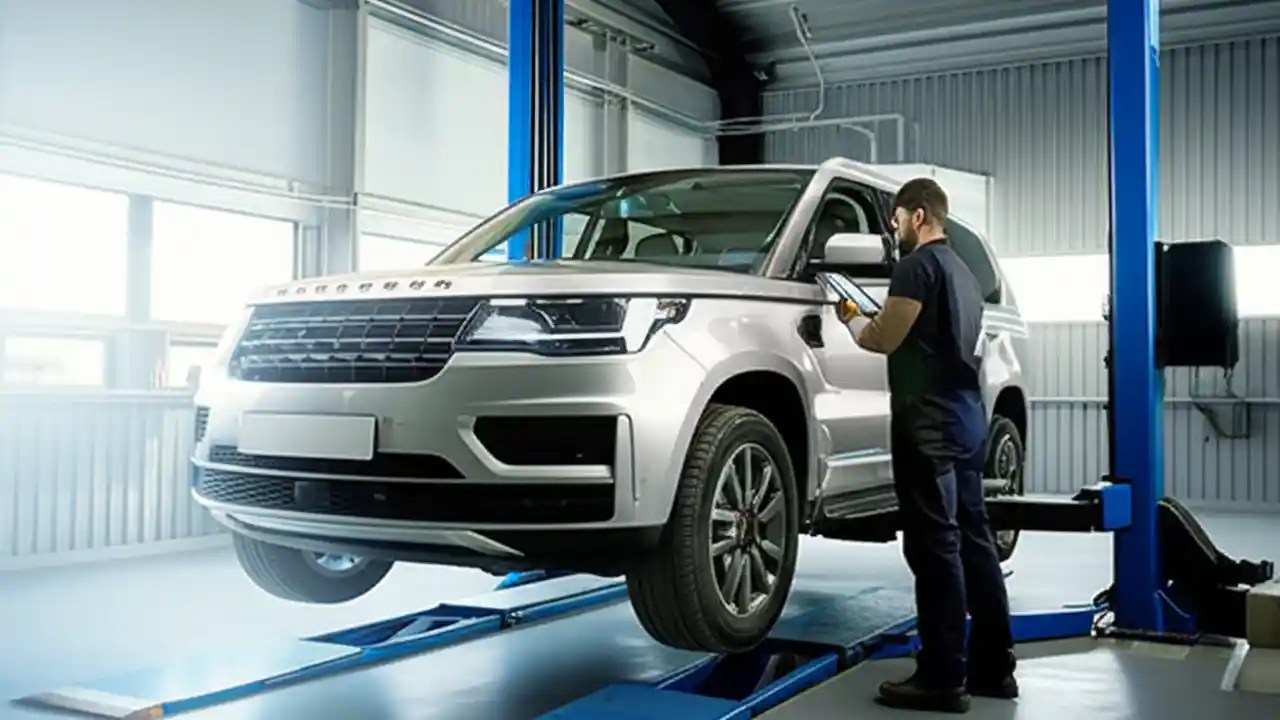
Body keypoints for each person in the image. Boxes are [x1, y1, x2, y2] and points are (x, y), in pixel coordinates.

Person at [849, 178, 1017, 713]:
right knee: (975, 543)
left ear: (918, 215)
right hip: (967, 422)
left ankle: (942, 677)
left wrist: (852, 317)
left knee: (934, 548)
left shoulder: (916, 267)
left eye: (898, 218)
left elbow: (883, 337)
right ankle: (995, 668)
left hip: (927, 426)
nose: (895, 228)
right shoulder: (965, 272)